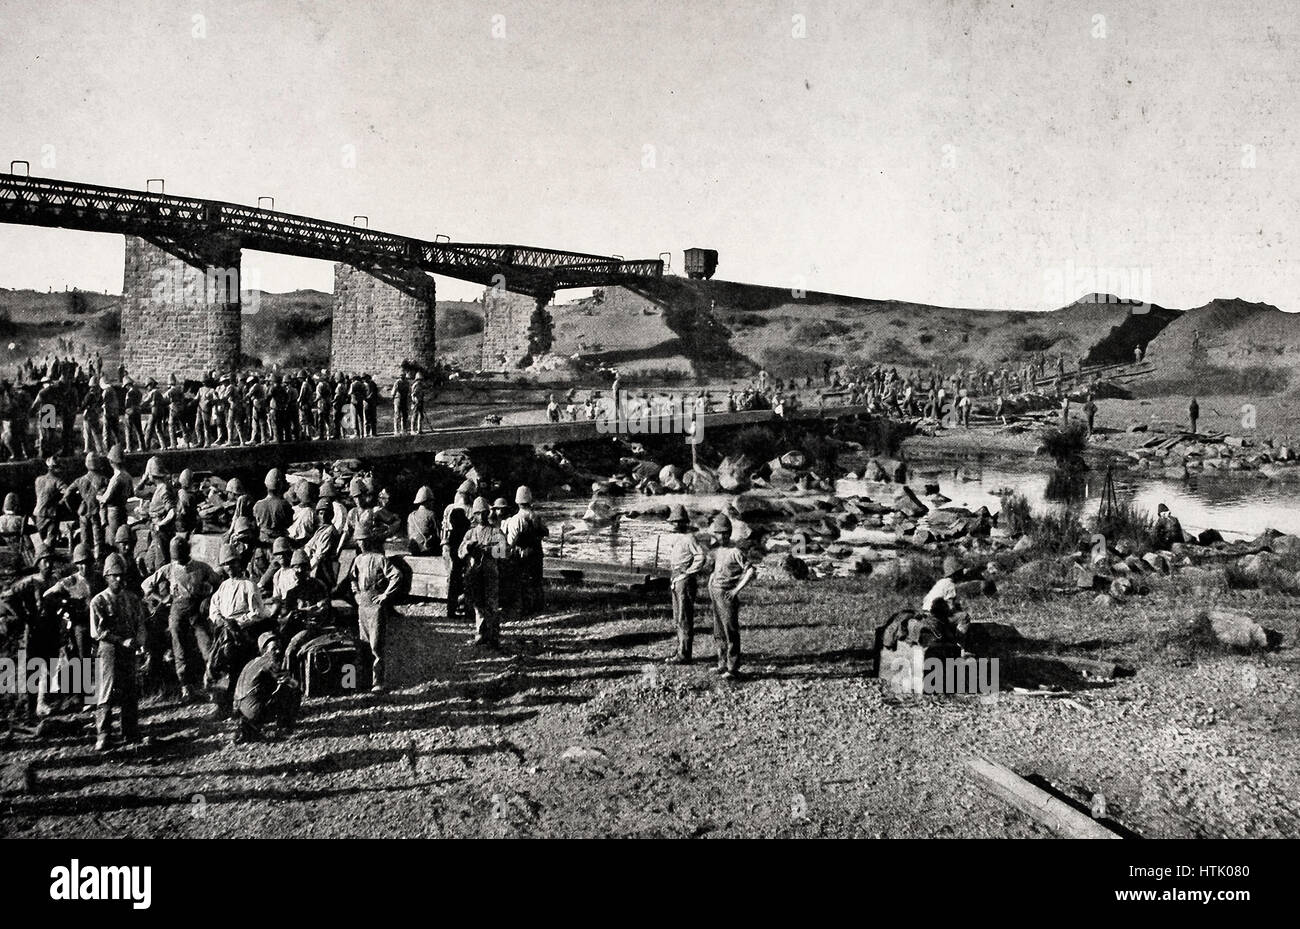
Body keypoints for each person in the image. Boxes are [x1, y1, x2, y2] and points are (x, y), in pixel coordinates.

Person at [142, 537, 220, 702]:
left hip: (197, 610)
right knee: (179, 650)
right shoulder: (169, 569)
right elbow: (146, 585)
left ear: (188, 552)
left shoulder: (200, 567)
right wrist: (162, 598)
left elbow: (217, 582)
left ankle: (212, 685)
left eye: (181, 557)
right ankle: (186, 688)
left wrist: (208, 598)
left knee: (207, 646)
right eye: (176, 558)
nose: (179, 561)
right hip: (177, 611)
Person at [90, 553, 149, 751]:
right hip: (109, 649)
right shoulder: (98, 601)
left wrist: (140, 642)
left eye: (121, 575)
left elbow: (140, 623)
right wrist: (120, 641)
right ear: (106, 577)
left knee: (130, 690)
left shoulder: (132, 599)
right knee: (106, 690)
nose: (118, 579)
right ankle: (103, 734)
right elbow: (97, 632)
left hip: (129, 649)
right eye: (114, 575)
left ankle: (130, 731)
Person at [207, 543, 272, 719]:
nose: (229, 567)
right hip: (225, 631)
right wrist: (221, 620)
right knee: (216, 663)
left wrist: (238, 622)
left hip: (245, 633)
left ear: (238, 563)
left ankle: (242, 706)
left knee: (238, 667)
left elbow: (258, 613)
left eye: (232, 563)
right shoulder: (223, 587)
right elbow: (214, 608)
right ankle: (222, 705)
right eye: (225, 564)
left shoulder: (249, 585)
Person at [1, 545, 61, 723]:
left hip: (51, 629)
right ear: (38, 563)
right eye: (45, 561)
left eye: (51, 561)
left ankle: (42, 704)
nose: (49, 565)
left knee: (50, 667)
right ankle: (29, 711)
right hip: (34, 631)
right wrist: (23, 615)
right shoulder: (30, 582)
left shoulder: (55, 581)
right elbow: (6, 597)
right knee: (32, 669)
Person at [346, 514, 401, 692]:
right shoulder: (358, 560)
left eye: (363, 540)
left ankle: (378, 682)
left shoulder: (380, 559)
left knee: (376, 644)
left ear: (369, 541)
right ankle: (363, 681)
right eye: (358, 541)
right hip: (363, 604)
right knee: (363, 644)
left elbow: (396, 575)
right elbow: (352, 578)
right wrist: (356, 593)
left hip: (376, 605)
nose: (360, 543)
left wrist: (385, 595)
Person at [705, 514, 755, 680]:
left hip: (727, 596)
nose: (719, 537)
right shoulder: (718, 551)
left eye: (722, 533)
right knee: (718, 631)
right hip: (715, 594)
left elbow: (750, 571)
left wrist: (736, 590)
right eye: (717, 533)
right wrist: (710, 582)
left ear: (728, 533)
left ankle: (733, 668)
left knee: (730, 632)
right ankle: (721, 663)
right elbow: (715, 570)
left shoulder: (735, 552)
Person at [232, 632, 301, 744]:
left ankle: (249, 728)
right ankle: (284, 729)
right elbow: (288, 681)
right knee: (291, 689)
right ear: (264, 650)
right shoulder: (269, 662)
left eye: (279, 648)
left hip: (241, 710)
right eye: (274, 649)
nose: (278, 651)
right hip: (254, 709)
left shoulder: (251, 662)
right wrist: (297, 685)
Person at [459, 497, 508, 649]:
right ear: (474, 515)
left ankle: (493, 634)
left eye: (484, 513)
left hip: (490, 572)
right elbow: (460, 553)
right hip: (474, 572)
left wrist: (487, 550)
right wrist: (468, 547)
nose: (481, 516)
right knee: (478, 603)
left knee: (492, 603)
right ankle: (480, 632)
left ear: (488, 513)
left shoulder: (495, 531)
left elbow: (504, 552)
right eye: (478, 513)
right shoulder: (470, 533)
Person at [663, 504, 706, 665]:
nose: (676, 524)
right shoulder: (676, 538)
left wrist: (689, 571)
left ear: (685, 522)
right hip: (675, 579)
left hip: (684, 581)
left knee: (684, 617)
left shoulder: (690, 538)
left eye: (679, 521)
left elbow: (701, 556)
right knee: (677, 617)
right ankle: (680, 648)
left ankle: (685, 654)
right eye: (673, 521)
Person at [502, 485, 548, 615]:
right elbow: (545, 532)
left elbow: (511, 541)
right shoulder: (536, 517)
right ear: (530, 500)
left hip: (522, 553)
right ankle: (539, 606)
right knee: (537, 579)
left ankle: (525, 607)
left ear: (517, 502)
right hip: (536, 551)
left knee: (523, 580)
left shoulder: (515, 519)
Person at [920, 555, 970, 641]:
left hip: (925, 615)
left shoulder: (940, 582)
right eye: (960, 572)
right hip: (936, 617)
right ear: (956, 573)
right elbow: (950, 607)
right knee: (965, 616)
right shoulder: (951, 585)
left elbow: (925, 600)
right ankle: (959, 643)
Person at [441, 493, 471, 620]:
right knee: (468, 583)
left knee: (453, 586)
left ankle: (451, 610)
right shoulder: (465, 534)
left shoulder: (451, 535)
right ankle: (468, 610)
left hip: (454, 565)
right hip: (461, 563)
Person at [253, 468, 293, 545]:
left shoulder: (257, 505)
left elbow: (256, 523)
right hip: (280, 542)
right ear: (280, 485)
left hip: (263, 540)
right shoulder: (284, 504)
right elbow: (289, 523)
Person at [406, 486, 440, 556]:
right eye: (431, 501)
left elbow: (409, 534)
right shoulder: (431, 514)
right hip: (427, 550)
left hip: (413, 549)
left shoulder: (411, 515)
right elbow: (439, 534)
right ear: (427, 501)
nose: (432, 503)